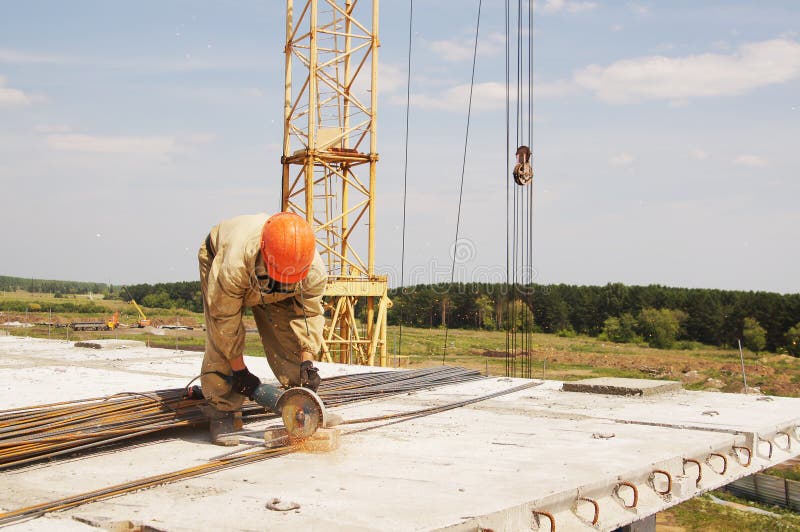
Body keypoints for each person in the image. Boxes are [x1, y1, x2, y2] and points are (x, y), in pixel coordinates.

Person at [197, 212, 326, 446]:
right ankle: (222, 410)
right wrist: (241, 373)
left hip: (270, 271)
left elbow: (309, 316)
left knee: (289, 334)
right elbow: (225, 322)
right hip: (225, 261)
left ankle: (301, 404)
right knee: (220, 341)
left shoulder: (312, 269)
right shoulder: (234, 265)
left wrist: (307, 361)